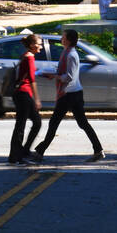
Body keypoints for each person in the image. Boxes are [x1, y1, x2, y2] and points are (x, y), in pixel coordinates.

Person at [33, 28, 105, 163]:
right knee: (82, 123)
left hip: (70, 94)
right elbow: (65, 73)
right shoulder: (66, 52)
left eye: (63, 37)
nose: (61, 39)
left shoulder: (71, 54)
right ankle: (98, 150)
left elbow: (69, 77)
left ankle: (39, 152)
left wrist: (54, 76)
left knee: (55, 122)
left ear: (69, 40)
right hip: (71, 93)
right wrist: (53, 74)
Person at [8, 33, 43, 166]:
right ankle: (19, 155)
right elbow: (32, 80)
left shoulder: (26, 56)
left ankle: (20, 153)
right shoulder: (29, 58)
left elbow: (27, 76)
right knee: (22, 126)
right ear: (32, 45)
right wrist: (37, 99)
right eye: (39, 44)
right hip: (23, 93)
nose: (41, 47)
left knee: (34, 122)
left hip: (21, 93)